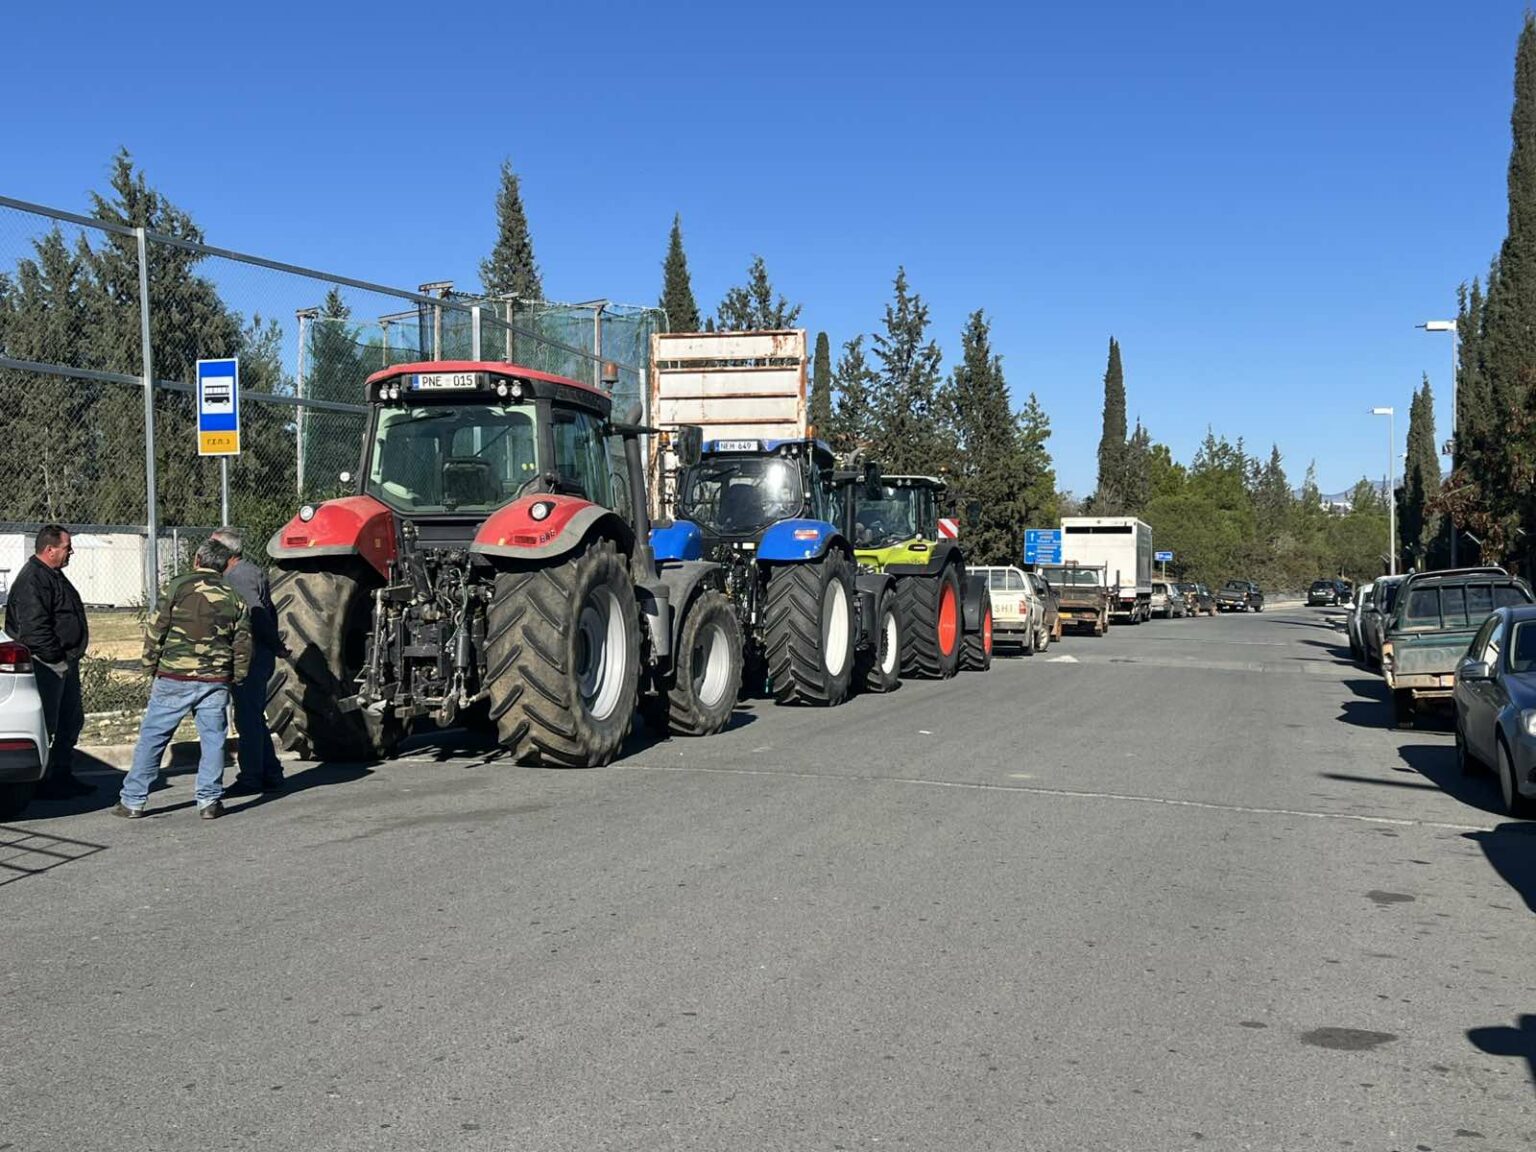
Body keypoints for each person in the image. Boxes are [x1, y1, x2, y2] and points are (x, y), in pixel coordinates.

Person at [115, 538, 251, 821]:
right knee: (213, 739)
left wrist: (149, 664)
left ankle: (133, 800)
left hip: (174, 675)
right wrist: (237, 675)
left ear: (197, 560)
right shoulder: (234, 596)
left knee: (154, 737)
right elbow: (242, 642)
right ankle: (209, 800)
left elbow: (157, 627)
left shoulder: (176, 586)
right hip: (215, 678)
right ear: (225, 565)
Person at [2, 525, 91, 799]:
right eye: (67, 547)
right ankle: (45, 781)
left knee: (71, 721)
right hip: (47, 664)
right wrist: (56, 657)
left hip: (63, 662)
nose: (71, 552)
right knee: (50, 723)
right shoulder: (33, 581)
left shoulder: (52, 575)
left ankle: (62, 775)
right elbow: (34, 629)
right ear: (49, 549)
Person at [209, 528, 286, 795]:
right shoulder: (243, 572)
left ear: (227, 552)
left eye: (213, 545)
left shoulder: (239, 576)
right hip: (255, 653)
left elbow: (256, 614)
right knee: (251, 716)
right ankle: (271, 773)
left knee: (248, 718)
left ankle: (252, 777)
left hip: (250, 656)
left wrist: (274, 645)